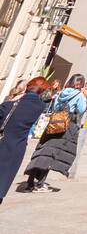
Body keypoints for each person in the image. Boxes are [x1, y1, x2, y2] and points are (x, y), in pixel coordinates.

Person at [24, 74, 87, 192]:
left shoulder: (60, 92)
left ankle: (30, 181)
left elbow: (55, 107)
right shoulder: (79, 95)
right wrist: (84, 97)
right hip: (65, 127)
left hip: (53, 124)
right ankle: (40, 183)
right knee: (52, 155)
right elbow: (81, 110)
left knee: (42, 151)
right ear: (80, 84)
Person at [0, 77, 52, 205]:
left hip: (3, 142)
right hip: (18, 147)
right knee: (4, 179)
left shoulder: (10, 104)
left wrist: (14, 99)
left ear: (26, 87)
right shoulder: (39, 106)